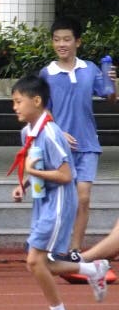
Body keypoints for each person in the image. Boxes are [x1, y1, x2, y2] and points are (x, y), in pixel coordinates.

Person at [9, 75, 109, 310]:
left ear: (37, 100)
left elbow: (66, 175)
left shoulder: (51, 133)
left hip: (59, 201)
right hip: (44, 201)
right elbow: (37, 166)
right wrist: (24, 185)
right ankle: (92, 270)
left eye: (19, 101)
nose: (15, 107)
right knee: (43, 262)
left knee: (34, 261)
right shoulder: (27, 132)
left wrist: (34, 173)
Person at [39, 16, 116, 259]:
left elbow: (110, 97)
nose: (62, 44)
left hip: (88, 144)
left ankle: (74, 249)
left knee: (83, 197)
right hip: (58, 148)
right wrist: (59, 133)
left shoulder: (90, 69)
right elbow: (41, 108)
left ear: (78, 42)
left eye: (67, 39)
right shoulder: (47, 73)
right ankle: (54, 247)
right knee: (62, 201)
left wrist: (112, 81)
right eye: (57, 39)